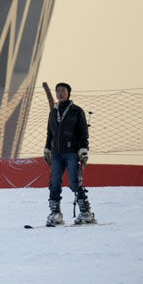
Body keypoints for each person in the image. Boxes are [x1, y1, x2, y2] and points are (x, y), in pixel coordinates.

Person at [45, 82, 95, 225]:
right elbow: (50, 133)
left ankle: (86, 213)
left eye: (63, 91)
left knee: (74, 182)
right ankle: (56, 214)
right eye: (58, 91)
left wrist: (83, 149)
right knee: (54, 183)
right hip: (56, 153)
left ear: (68, 93)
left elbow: (83, 132)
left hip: (71, 152)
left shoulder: (76, 111)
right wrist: (47, 148)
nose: (60, 93)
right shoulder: (53, 111)